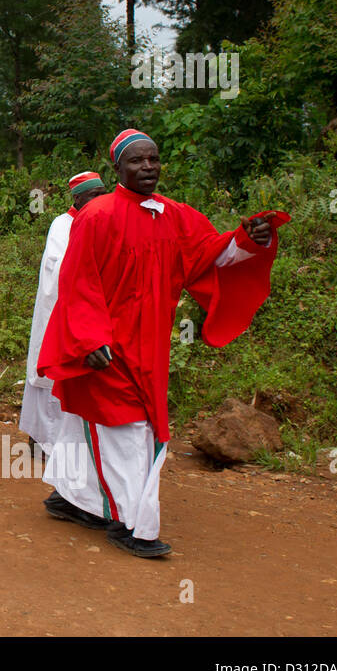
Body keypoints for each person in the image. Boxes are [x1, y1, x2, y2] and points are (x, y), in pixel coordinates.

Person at [38, 129, 287, 558]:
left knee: (108, 425)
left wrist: (249, 240)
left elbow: (210, 254)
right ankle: (134, 525)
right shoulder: (96, 216)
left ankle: (70, 497)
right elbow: (77, 282)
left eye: (153, 159)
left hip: (151, 340)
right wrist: (89, 337)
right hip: (109, 343)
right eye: (137, 161)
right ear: (117, 167)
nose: (148, 167)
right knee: (126, 427)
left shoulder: (175, 215)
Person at [21, 171, 107, 454]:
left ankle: (72, 445)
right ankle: (41, 441)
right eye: (94, 195)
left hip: (90, 312)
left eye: (103, 193)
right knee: (51, 376)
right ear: (78, 198)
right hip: (58, 311)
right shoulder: (63, 223)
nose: (100, 200)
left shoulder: (102, 221)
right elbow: (60, 270)